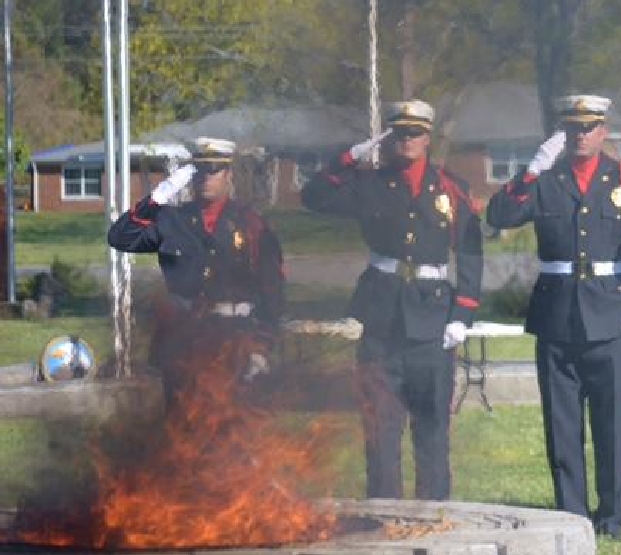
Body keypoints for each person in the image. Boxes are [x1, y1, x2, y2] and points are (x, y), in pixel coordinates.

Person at [486, 95, 621, 541]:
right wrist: (529, 170)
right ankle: (571, 517)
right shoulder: (545, 179)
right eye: (573, 127)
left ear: (604, 131)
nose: (581, 134)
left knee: (613, 426)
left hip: (613, 315)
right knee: (562, 427)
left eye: (589, 127)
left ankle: (611, 518)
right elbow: (500, 215)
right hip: (556, 316)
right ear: (562, 132)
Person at [300, 99, 483, 501]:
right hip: (381, 318)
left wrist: (463, 312)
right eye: (400, 133)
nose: (407, 140)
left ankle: (434, 516)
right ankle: (383, 516)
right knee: (380, 426)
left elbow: (470, 251)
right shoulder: (370, 183)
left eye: (415, 133)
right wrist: (349, 157)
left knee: (432, 425)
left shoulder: (451, 187)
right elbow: (312, 197)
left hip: (433, 319)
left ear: (428, 138)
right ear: (389, 137)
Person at [107, 137, 285, 403]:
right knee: (183, 427)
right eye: (199, 172)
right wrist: (157, 197)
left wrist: (262, 345)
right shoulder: (172, 220)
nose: (206, 179)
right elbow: (120, 237)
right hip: (183, 341)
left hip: (234, 337)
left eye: (213, 171)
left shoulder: (250, 223)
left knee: (233, 429)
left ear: (228, 174)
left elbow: (272, 288)